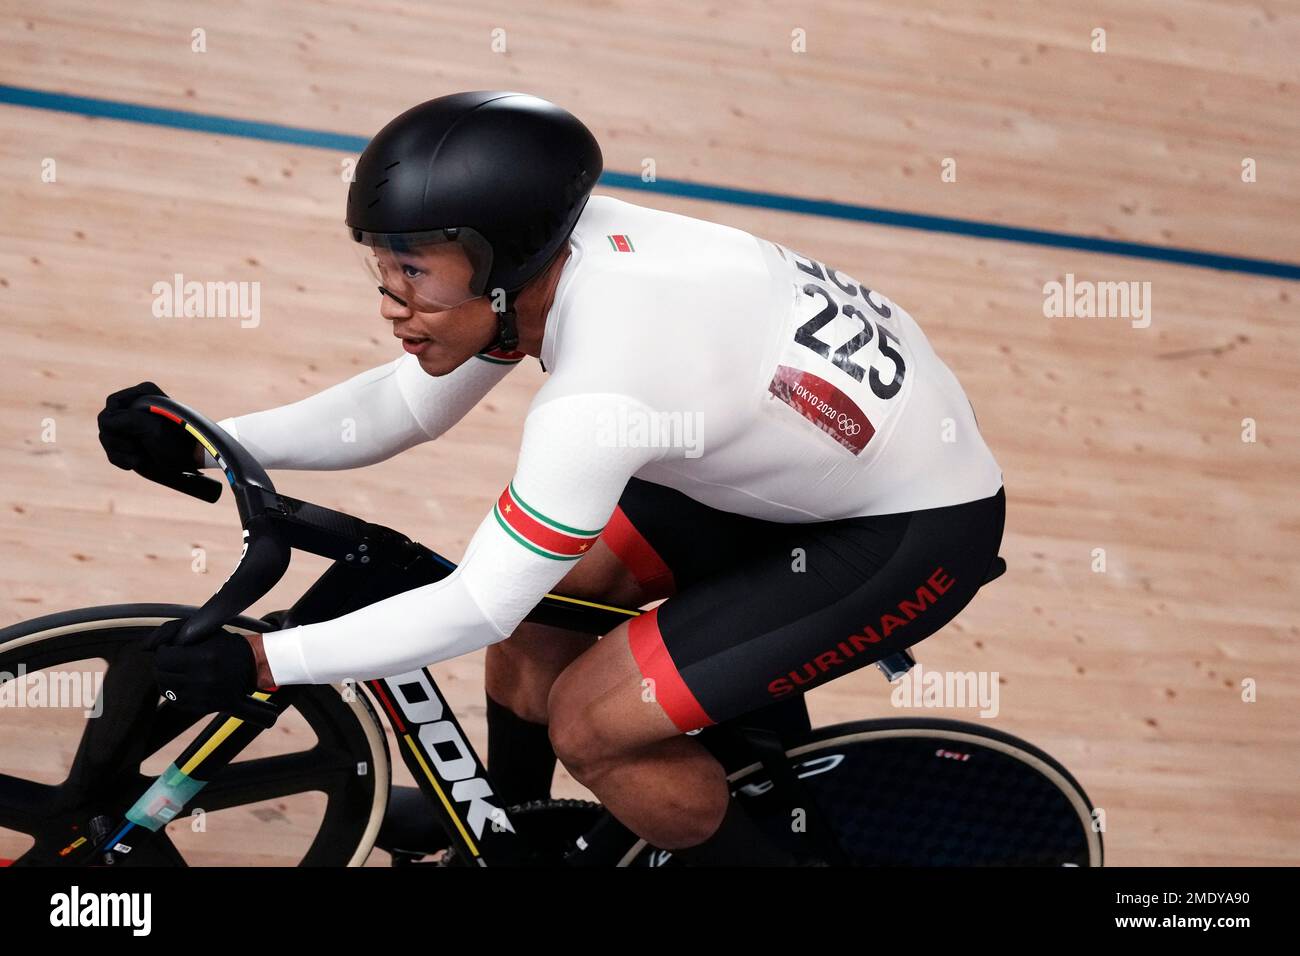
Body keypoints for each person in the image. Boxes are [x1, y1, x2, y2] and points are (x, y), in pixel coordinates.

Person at [98, 90, 1005, 866]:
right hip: (783, 457)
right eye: (382, 265)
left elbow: (474, 604)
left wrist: (267, 660)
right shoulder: (553, 258)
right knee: (546, 619)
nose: (389, 302)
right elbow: (404, 410)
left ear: (500, 270)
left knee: (593, 722)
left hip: (903, 528)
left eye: (413, 272)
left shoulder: (609, 380)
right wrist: (210, 441)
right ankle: (504, 832)